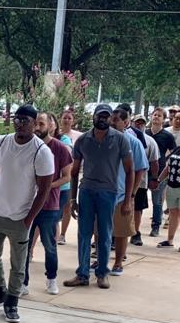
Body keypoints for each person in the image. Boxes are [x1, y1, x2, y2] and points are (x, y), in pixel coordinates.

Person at [0, 104, 54, 322]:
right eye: (17, 120)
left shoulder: (41, 151)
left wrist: (29, 218)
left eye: (25, 121)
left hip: (19, 217)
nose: (20, 124)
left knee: (18, 263)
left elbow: (44, 189)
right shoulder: (2, 143)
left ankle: (12, 300)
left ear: (34, 123)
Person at [63, 104, 133, 290]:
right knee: (84, 233)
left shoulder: (120, 139)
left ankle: (103, 273)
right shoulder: (83, 140)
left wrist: (127, 200)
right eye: (99, 116)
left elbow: (130, 170)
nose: (102, 119)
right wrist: (72, 199)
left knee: (105, 233)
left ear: (111, 119)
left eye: (106, 116)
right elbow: (74, 171)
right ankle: (82, 273)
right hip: (86, 190)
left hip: (109, 192)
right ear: (93, 117)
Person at [23, 111, 73, 295]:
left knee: (49, 245)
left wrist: (47, 186)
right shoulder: (26, 146)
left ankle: (51, 279)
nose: (37, 127)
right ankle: (23, 282)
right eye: (35, 123)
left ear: (51, 125)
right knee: (23, 245)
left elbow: (67, 176)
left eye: (41, 124)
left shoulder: (60, 148)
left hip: (49, 206)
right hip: (26, 205)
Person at [108, 108, 148, 276]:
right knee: (100, 229)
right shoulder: (103, 139)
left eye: (116, 119)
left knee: (121, 231)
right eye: (111, 119)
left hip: (122, 194)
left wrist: (131, 195)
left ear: (126, 123)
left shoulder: (134, 143)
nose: (112, 122)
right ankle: (100, 259)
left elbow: (140, 170)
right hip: (103, 193)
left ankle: (118, 262)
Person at [130, 113, 160, 246]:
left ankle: (136, 232)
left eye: (142, 122)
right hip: (122, 180)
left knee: (137, 208)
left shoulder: (150, 141)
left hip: (141, 181)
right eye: (137, 122)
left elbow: (154, 162)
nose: (139, 124)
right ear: (131, 122)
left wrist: (154, 178)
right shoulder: (126, 138)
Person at [146, 108, 175, 237]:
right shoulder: (145, 133)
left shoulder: (167, 136)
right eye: (155, 115)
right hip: (143, 170)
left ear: (164, 119)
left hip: (159, 171)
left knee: (157, 200)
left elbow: (174, 151)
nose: (156, 117)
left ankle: (156, 226)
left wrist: (167, 161)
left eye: (159, 116)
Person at [58, 109, 79, 243]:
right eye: (64, 118)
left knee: (67, 206)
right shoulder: (55, 134)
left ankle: (63, 234)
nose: (66, 120)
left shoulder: (77, 136)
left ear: (73, 121)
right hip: (57, 175)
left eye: (69, 118)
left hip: (70, 175)